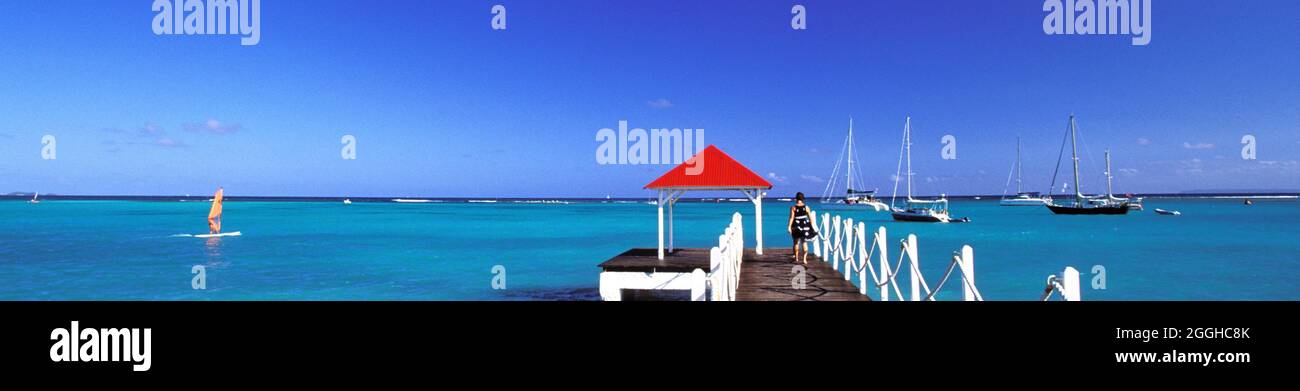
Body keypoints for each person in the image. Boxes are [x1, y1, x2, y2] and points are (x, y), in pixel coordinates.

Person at [786, 192, 818, 264]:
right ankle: (804, 259)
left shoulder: (793, 208)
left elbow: (791, 218)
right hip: (804, 225)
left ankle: (796, 258)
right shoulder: (806, 207)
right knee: (804, 242)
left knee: (796, 242)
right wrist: (811, 227)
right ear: (803, 199)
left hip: (795, 225)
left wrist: (789, 227)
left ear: (796, 199)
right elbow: (810, 218)